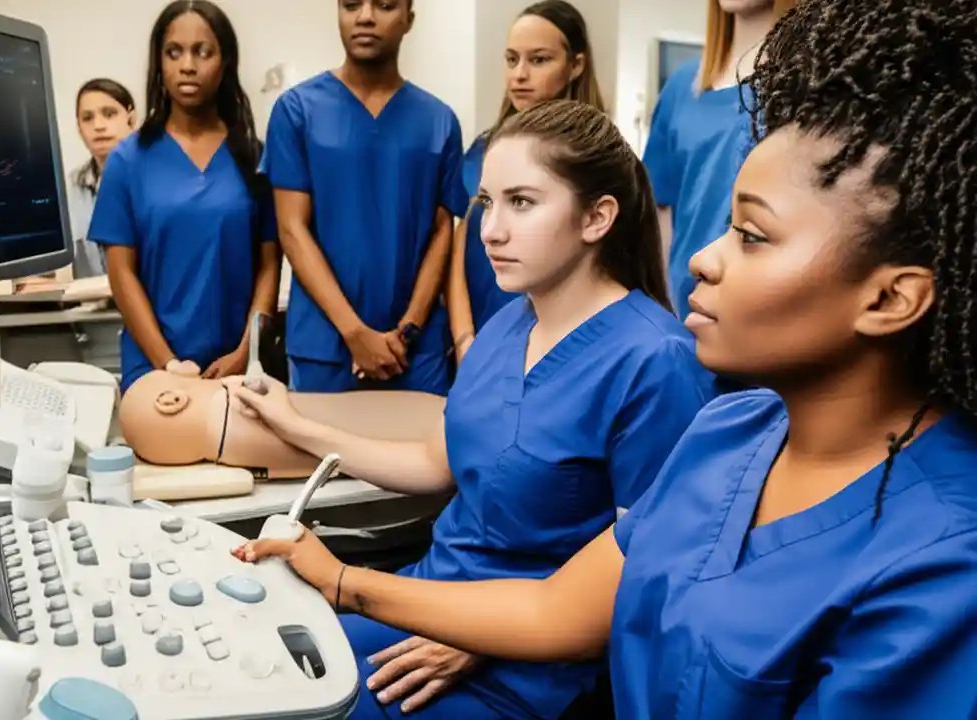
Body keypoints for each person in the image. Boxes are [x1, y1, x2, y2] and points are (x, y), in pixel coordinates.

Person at [239, 1, 977, 717]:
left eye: (751, 236)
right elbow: (555, 608)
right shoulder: (732, 434)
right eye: (487, 203)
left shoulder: (939, 563)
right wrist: (340, 576)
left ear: (890, 299)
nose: (702, 259)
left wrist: (362, 589)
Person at [237, 100, 715, 719]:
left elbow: (641, 575)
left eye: (522, 202)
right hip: (429, 596)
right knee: (253, 666)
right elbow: (434, 463)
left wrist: (480, 640)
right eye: (488, 202)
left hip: (529, 662)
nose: (490, 230)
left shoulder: (655, 362)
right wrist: (295, 426)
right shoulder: (508, 325)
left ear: (597, 217)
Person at [261, 0, 467, 395]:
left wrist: (407, 330)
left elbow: (443, 232)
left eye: (385, 5)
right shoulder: (297, 111)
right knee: (319, 439)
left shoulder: (438, 121)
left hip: (414, 351)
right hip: (325, 347)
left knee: (422, 437)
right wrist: (355, 333)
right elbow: (291, 229)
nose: (366, 16)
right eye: (351, 4)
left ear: (408, 19)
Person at [89, 1, 280, 392]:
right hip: (155, 368)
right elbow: (121, 274)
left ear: (225, 62)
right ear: (159, 63)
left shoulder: (253, 157)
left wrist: (246, 352)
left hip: (240, 367)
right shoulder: (128, 161)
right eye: (174, 52)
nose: (187, 65)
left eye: (203, 52)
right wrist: (169, 364)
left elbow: (269, 265)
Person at [447, 1, 606, 362]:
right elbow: (460, 247)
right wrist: (464, 340)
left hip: (563, 345)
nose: (519, 74)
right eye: (511, 59)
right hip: (480, 337)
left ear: (576, 65)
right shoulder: (483, 151)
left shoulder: (598, 160)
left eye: (538, 60)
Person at [644, 0, 793, 320]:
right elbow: (661, 212)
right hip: (685, 309)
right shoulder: (681, 88)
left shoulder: (803, 86)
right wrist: (664, 309)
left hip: (764, 307)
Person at [117, 369, 444, 478]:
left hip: (436, 431)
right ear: (172, 401)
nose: (187, 368)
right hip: (435, 432)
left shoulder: (227, 427)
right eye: (173, 375)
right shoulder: (228, 414)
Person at [67, 78, 136, 278]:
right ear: (79, 128)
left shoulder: (159, 180)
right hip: (93, 298)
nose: (98, 126)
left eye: (109, 114)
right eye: (87, 118)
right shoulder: (69, 190)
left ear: (131, 120)